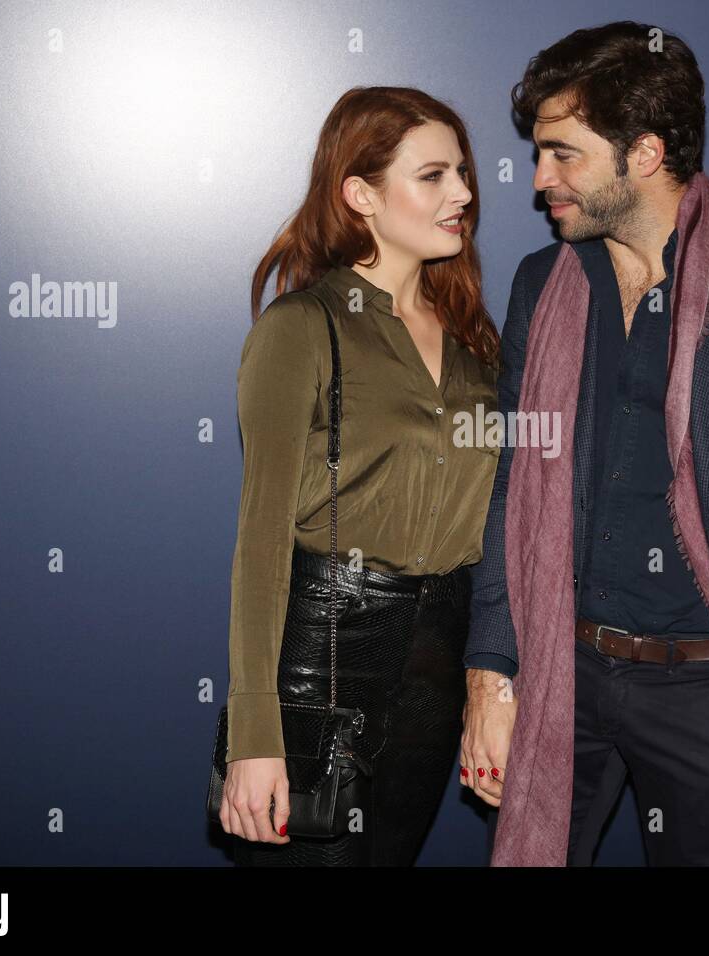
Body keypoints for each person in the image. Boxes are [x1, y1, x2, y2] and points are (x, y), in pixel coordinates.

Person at [460, 21, 709, 866]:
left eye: (562, 154)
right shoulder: (543, 284)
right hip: (559, 672)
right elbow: (514, 481)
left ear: (643, 152)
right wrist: (491, 672)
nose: (539, 181)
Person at [221, 86, 501, 866]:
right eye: (435, 175)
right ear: (361, 195)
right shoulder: (301, 328)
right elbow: (260, 542)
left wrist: (493, 682)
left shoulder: (477, 344)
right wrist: (255, 734)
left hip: (438, 664)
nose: (465, 194)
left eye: (464, 173)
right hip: (325, 656)